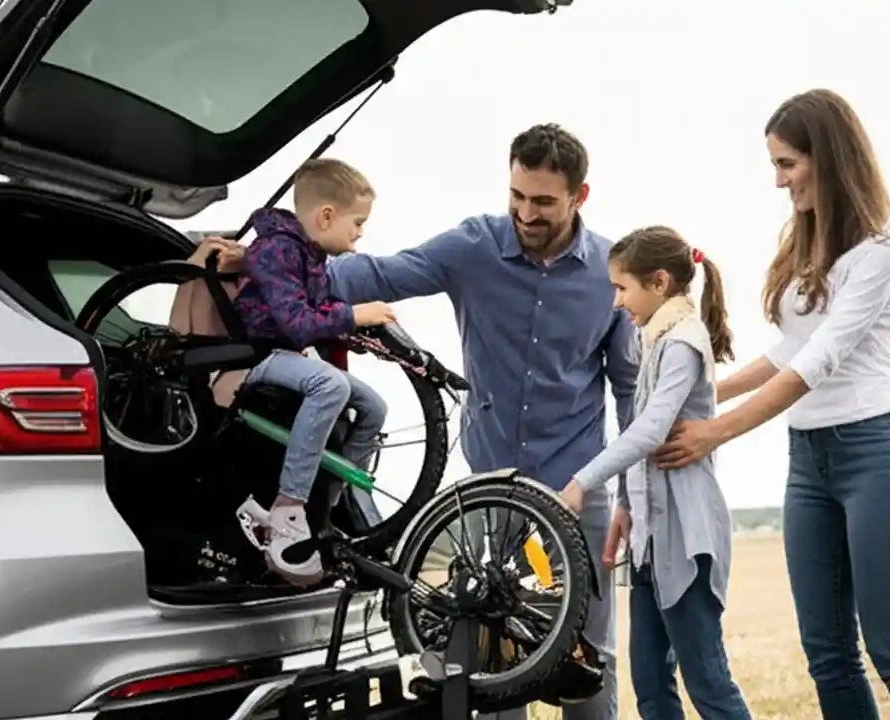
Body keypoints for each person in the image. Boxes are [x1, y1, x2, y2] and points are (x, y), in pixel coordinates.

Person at [653, 89, 890, 720]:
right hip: (809, 462)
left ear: (830, 156)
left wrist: (716, 431)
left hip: (876, 452)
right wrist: (702, 395)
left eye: (787, 163)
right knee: (827, 653)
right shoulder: (805, 252)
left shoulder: (881, 254)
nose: (779, 180)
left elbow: (818, 361)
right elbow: (790, 349)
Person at [324, 123, 638, 720]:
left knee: (587, 657)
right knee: (491, 659)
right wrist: (273, 263)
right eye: (517, 195)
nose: (526, 213)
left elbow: (629, 391)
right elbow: (382, 273)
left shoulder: (611, 271)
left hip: (578, 493)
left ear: (580, 196)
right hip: (492, 494)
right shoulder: (474, 246)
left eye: (543, 201)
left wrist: (632, 495)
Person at [558, 226, 752, 720]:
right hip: (649, 541)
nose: (617, 301)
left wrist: (582, 483)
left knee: (708, 683)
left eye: (622, 288)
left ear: (660, 282)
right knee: (649, 683)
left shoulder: (682, 343)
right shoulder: (656, 340)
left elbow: (650, 430)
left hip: (685, 539)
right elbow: (642, 438)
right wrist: (625, 505)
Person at [231, 158, 397, 587]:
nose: (360, 233)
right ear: (326, 216)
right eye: (357, 223)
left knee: (374, 407)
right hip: (256, 355)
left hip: (289, 354)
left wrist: (357, 332)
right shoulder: (278, 251)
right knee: (331, 384)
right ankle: (289, 509)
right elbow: (299, 324)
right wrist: (354, 314)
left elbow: (320, 314)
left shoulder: (312, 254)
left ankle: (330, 504)